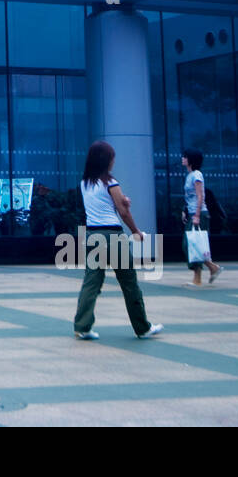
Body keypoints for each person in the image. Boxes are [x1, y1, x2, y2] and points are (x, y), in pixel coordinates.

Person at [72, 140, 163, 341]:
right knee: (129, 282)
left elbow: (110, 204)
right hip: (113, 236)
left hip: (92, 236)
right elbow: (123, 211)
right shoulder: (110, 182)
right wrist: (136, 231)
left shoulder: (85, 183)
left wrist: (122, 201)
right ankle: (142, 327)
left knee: (91, 282)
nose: (114, 161)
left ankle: (82, 326)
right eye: (112, 158)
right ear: (106, 160)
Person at [181, 148, 223, 286]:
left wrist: (197, 215)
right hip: (193, 212)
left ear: (190, 160)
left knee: (192, 244)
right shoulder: (190, 175)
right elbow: (190, 197)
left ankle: (200, 277)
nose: (182, 158)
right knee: (192, 244)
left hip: (199, 214)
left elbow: (200, 196)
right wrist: (185, 210)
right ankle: (212, 268)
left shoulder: (196, 175)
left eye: (185, 156)